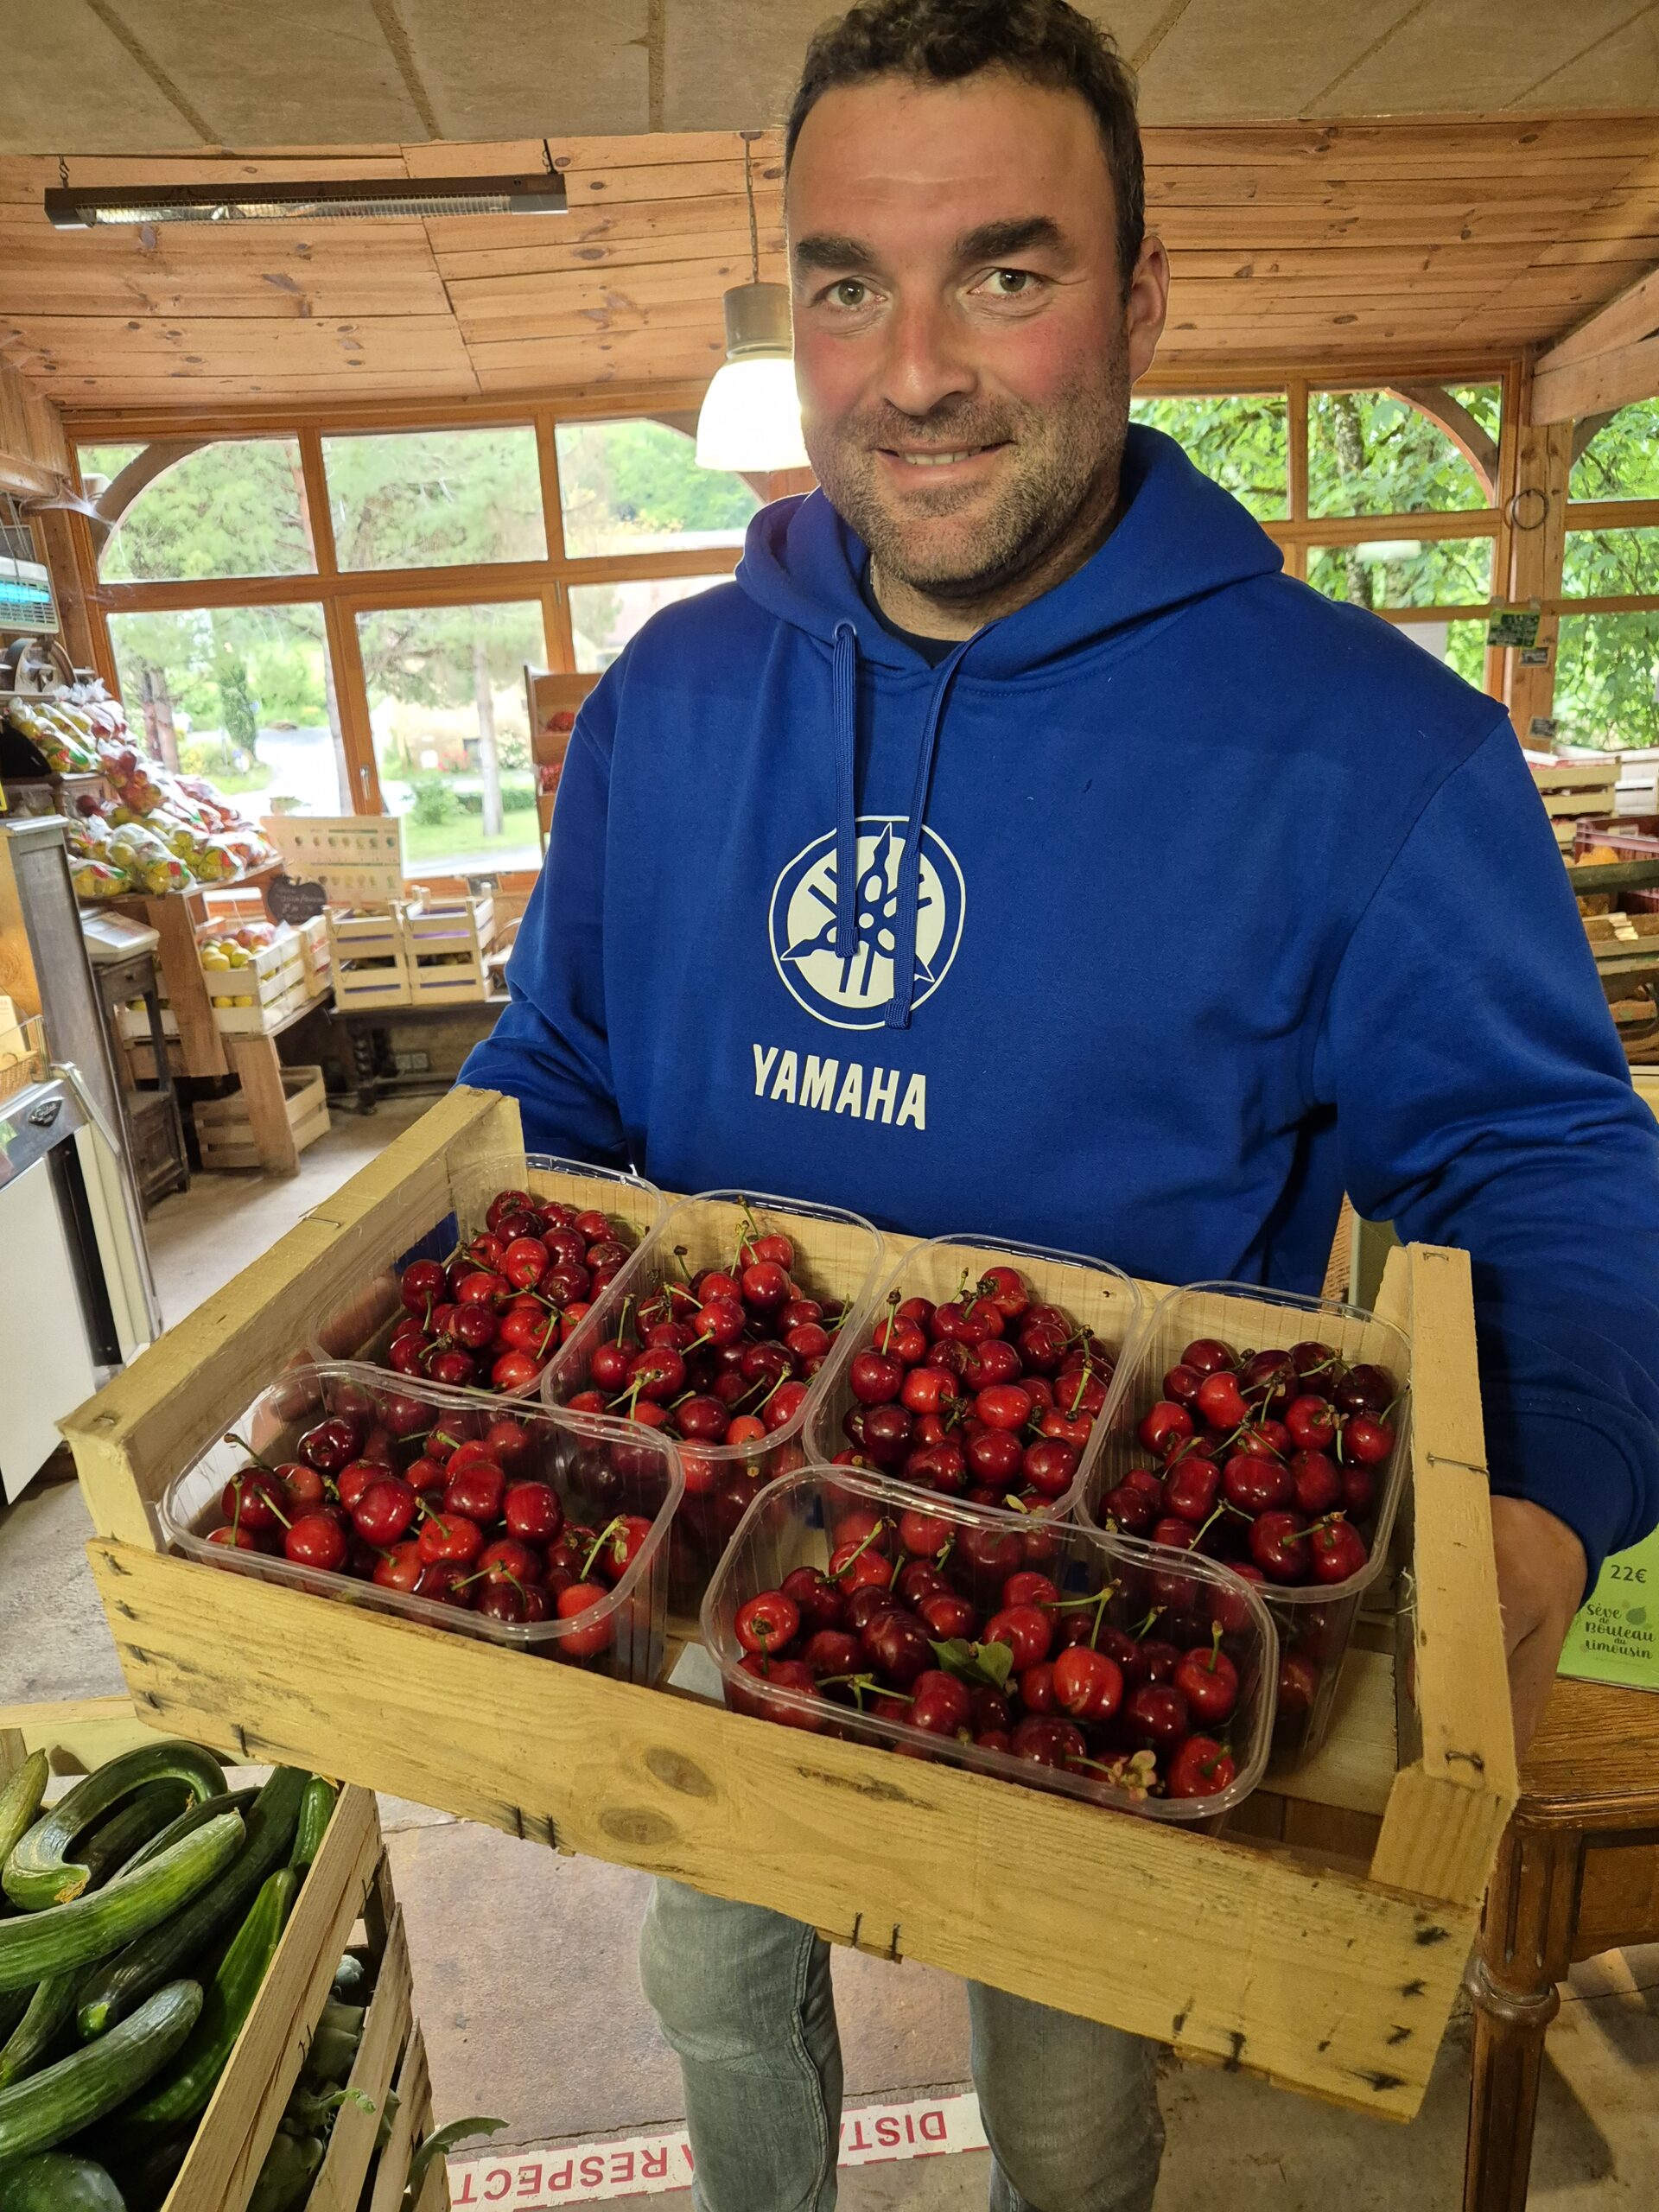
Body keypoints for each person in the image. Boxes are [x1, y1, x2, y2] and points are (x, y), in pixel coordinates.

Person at [461, 3, 1659, 2202]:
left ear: (1141, 301)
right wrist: (444, 1290)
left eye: (1004, 273)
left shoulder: (1372, 749)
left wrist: (1549, 1493)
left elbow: (1551, 1159)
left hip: (1117, 1588)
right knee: (712, 1976)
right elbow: (557, 1068)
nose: (914, 368)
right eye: (847, 284)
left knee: (1078, 2103)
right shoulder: (672, 699)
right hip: (711, 1539)